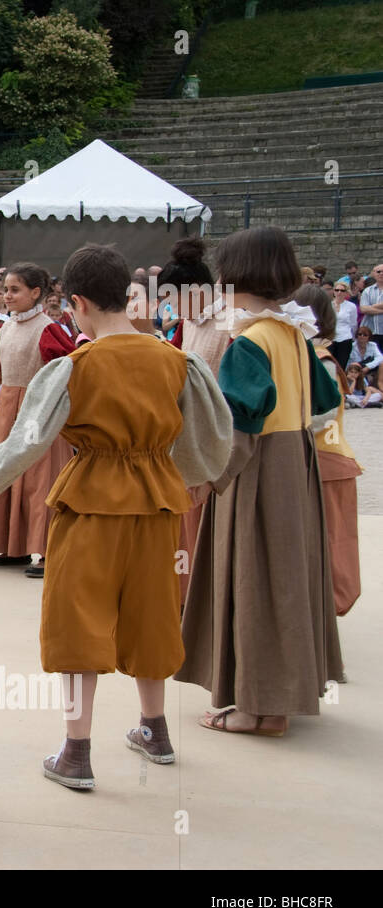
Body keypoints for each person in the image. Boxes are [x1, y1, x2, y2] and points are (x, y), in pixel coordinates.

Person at [0, 243, 231, 790]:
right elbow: (210, 439)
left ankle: (76, 752)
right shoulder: (180, 363)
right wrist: (189, 480)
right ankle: (155, 730)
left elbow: (24, 446)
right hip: (157, 504)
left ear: (76, 302)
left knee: (78, 617)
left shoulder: (72, 369)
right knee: (151, 612)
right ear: (126, 295)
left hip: (90, 501)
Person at [177, 226, 344, 737]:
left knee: (252, 579)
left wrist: (204, 478)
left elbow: (237, 426)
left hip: (258, 471)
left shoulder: (248, 340)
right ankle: (280, 695)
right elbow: (322, 398)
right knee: (287, 579)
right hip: (296, 464)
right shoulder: (294, 334)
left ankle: (255, 707)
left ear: (231, 277)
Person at [0, 263, 75, 577]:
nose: (6, 295)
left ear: (36, 293)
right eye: (5, 289)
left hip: (39, 412)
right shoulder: (4, 328)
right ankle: (13, 545)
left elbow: (65, 375)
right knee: (5, 473)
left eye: (14, 290)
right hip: (9, 409)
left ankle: (48, 551)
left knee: (41, 479)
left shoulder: (48, 328)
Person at [160, 236, 227, 601]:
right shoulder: (190, 324)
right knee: (187, 523)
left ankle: (210, 598)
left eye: (170, 297)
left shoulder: (230, 322)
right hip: (189, 433)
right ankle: (188, 595)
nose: (167, 307)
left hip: (218, 435)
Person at [298, 282, 362, 618]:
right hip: (325, 462)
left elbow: (320, 415)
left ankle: (325, 613)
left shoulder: (319, 360)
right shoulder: (315, 357)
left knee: (333, 546)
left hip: (326, 464)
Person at [330, 279, 358, 370]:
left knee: (341, 365)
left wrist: (353, 337)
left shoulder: (351, 306)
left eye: (342, 290)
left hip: (345, 338)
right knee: (329, 364)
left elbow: (353, 324)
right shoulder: (328, 305)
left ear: (346, 293)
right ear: (333, 291)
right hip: (330, 338)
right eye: (337, 290)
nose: (339, 292)